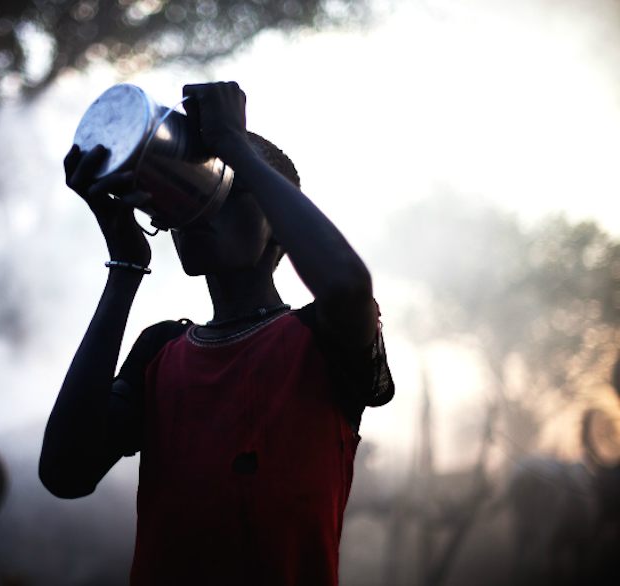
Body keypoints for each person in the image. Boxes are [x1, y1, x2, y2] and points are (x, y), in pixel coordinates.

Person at [40, 82, 394, 585]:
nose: (200, 209)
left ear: (281, 226)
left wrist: (232, 142)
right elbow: (65, 473)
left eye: (230, 193)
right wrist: (125, 267)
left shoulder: (320, 338)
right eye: (188, 191)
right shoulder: (160, 354)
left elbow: (345, 284)